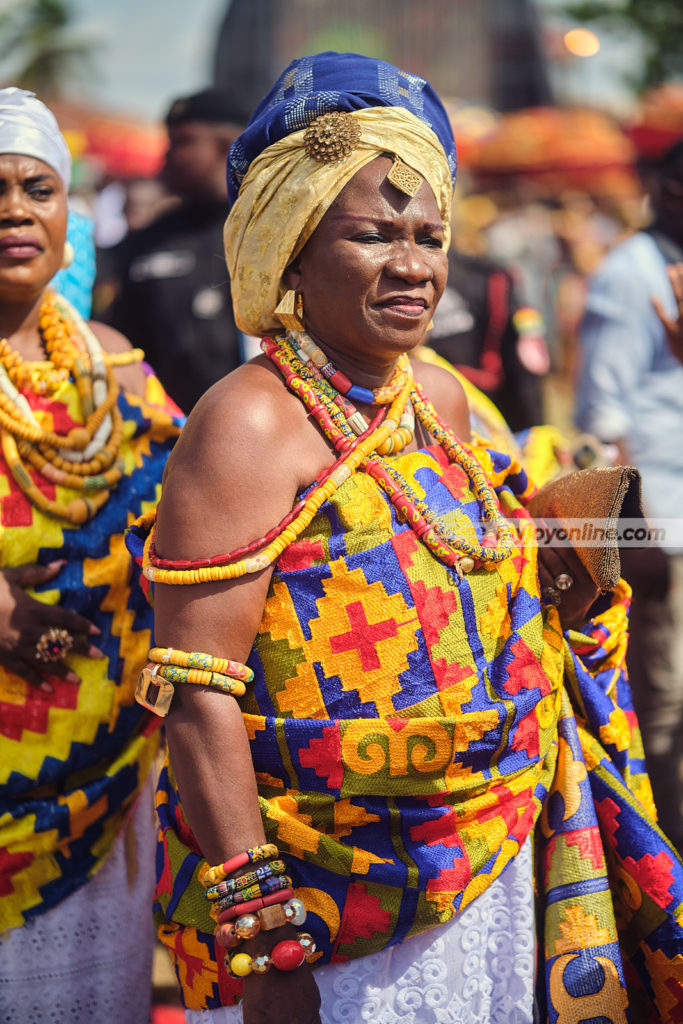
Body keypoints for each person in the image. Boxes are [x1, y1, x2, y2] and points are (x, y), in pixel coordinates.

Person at [131, 54, 683, 1023]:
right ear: (292, 249)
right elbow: (193, 691)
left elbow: (542, 553)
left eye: (428, 236)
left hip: (486, 856)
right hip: (324, 897)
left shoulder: (441, 396)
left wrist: (602, 529)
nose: (413, 265)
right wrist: (265, 947)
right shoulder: (245, 423)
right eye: (372, 235)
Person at [0, 87, 181, 1021]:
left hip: (105, 763)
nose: (14, 209)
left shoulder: (111, 360)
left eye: (38, 187)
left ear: (69, 214)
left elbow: (190, 502)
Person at [576, 138, 683, 854]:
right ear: (662, 185)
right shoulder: (629, 273)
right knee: (667, 700)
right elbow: (601, 415)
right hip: (664, 521)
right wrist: (633, 532)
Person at [103, 87, 251, 413]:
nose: (167, 156)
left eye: (182, 141)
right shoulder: (148, 240)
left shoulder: (273, 230)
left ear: (226, 145)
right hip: (170, 437)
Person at [428, 247, 548, 431]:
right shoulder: (411, 273)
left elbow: (525, 359)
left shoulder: (493, 277)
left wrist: (535, 429)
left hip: (488, 411)